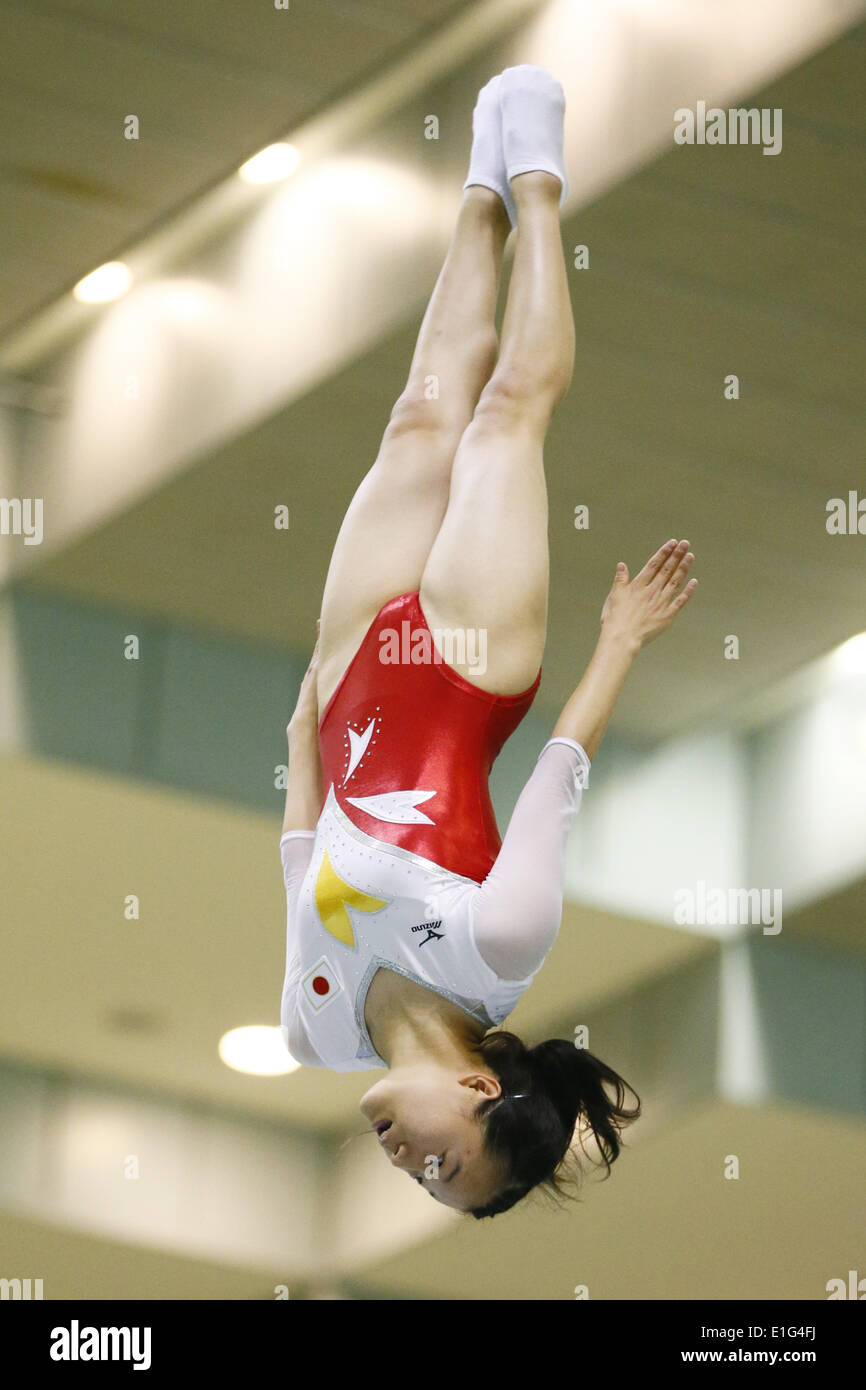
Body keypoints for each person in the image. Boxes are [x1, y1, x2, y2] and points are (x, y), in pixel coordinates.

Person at [279, 67, 697, 1218]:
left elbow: (296, 862)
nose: (407, 1166)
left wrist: (304, 735)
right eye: (441, 1162)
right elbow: (560, 773)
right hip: (466, 668)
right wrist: (617, 642)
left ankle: (475, 184)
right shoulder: (497, 947)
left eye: (423, 1186)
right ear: (475, 1084)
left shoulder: (309, 1029)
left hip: (354, 677)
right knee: (505, 408)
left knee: (421, 408)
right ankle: (538, 184)